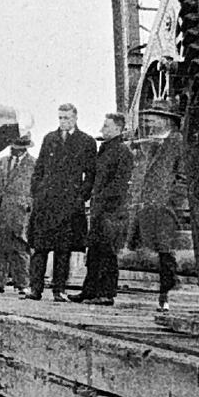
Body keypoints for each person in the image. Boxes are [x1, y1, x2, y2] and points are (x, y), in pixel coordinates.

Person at [27, 103, 96, 301]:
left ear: (75, 118)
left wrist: (80, 196)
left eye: (66, 118)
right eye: (60, 118)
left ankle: (59, 290)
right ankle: (35, 289)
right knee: (40, 248)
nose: (63, 122)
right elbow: (39, 168)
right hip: (46, 202)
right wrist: (37, 192)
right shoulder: (50, 139)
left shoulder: (86, 142)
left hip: (69, 204)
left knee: (63, 249)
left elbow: (90, 174)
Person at [73, 114, 135, 306]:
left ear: (118, 129)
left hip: (112, 211)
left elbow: (119, 184)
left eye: (106, 126)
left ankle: (107, 294)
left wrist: (102, 198)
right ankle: (89, 291)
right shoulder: (104, 151)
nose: (102, 129)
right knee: (94, 252)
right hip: (100, 209)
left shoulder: (123, 152)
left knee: (107, 252)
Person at [133, 121, 187, 310]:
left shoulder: (176, 141)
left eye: (155, 119)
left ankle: (166, 296)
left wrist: (172, 202)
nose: (150, 123)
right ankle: (166, 291)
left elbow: (182, 176)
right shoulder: (150, 144)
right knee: (152, 250)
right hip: (148, 206)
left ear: (166, 121)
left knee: (165, 251)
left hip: (165, 209)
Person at [0, 131, 35, 294]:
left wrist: (29, 206)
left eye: (16, 147)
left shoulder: (35, 164)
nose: (13, 149)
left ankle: (23, 284)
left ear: (24, 148)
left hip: (21, 213)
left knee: (20, 248)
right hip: (1, 211)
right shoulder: (2, 162)